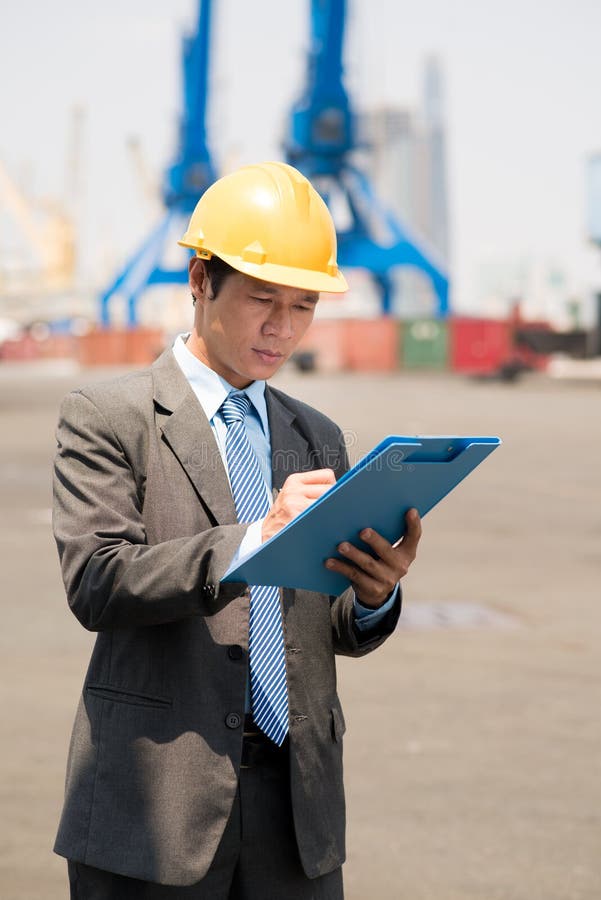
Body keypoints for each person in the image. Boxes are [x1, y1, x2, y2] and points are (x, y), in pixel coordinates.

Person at [53, 161, 422, 899]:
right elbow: (98, 582)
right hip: (154, 804)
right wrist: (256, 538)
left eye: (303, 306)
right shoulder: (109, 418)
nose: (281, 328)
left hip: (297, 810)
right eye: (262, 299)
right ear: (199, 281)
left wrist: (374, 595)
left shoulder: (314, 435)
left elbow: (329, 624)